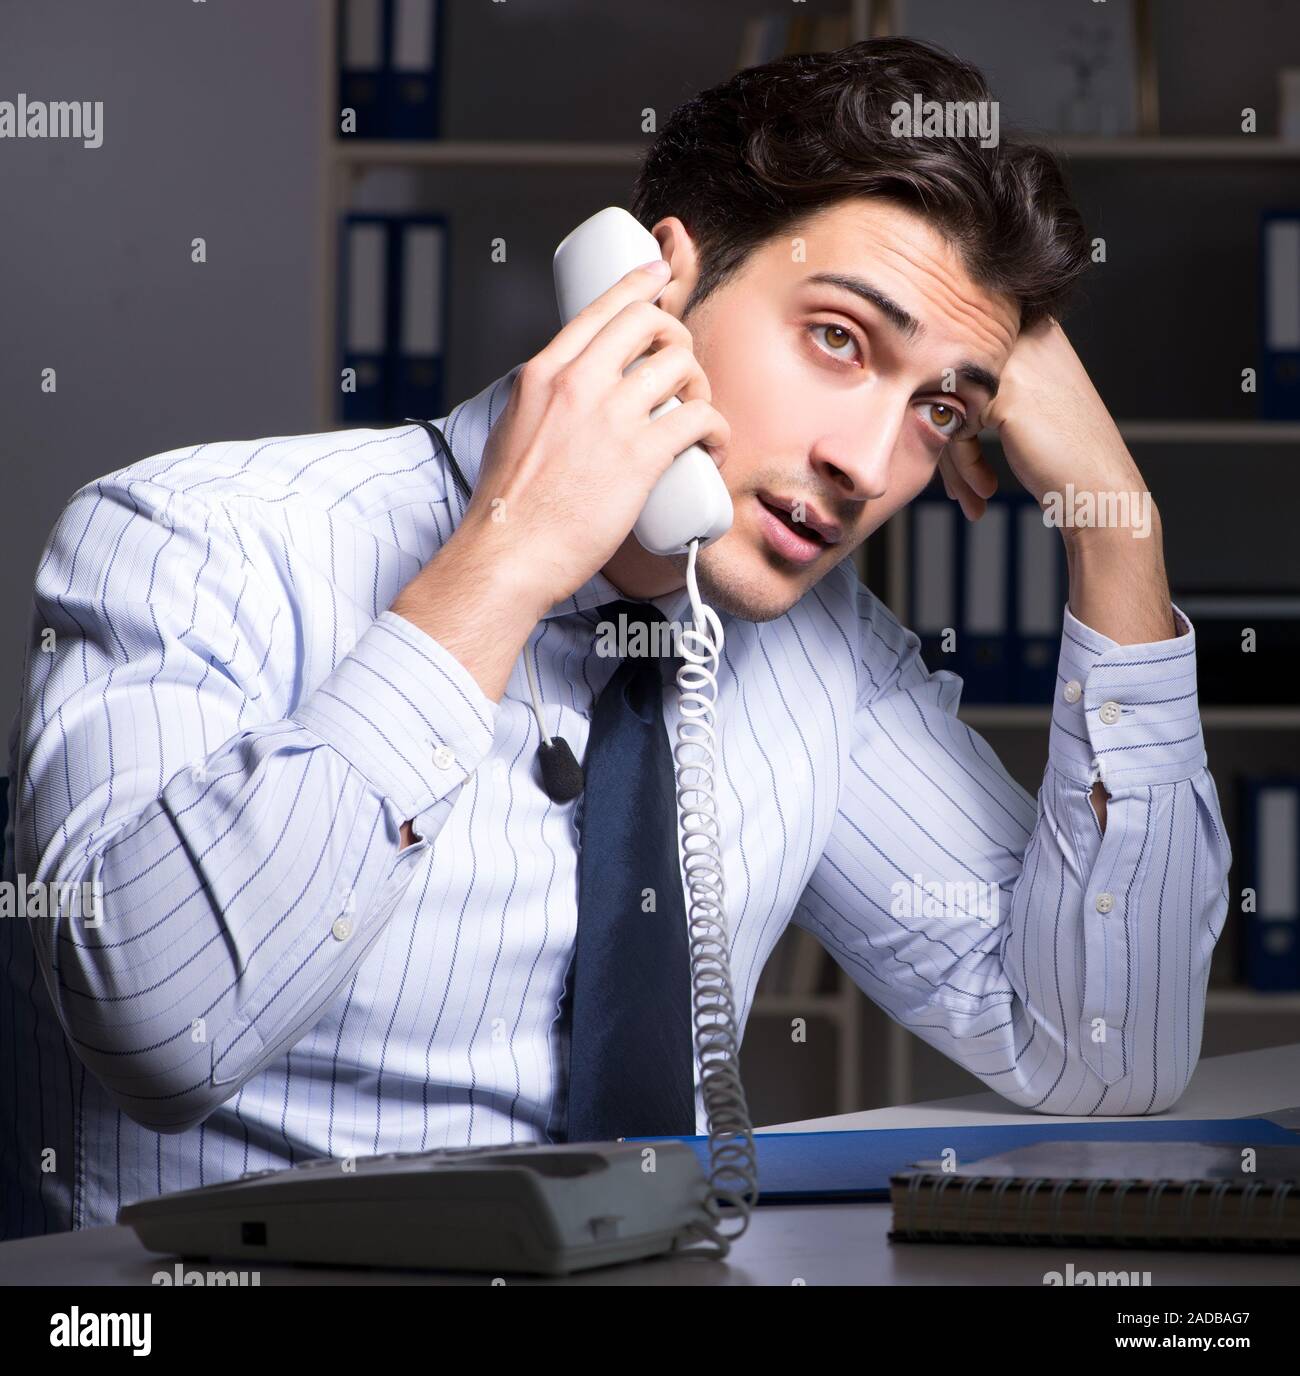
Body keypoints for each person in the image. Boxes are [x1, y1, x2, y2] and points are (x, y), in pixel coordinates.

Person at [1, 37, 1228, 1236]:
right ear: (649, 286)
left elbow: (1101, 1054)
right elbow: (160, 1028)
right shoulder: (191, 535)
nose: (866, 463)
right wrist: (512, 556)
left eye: (938, 406)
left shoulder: (823, 656)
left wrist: (1114, 526)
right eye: (839, 340)